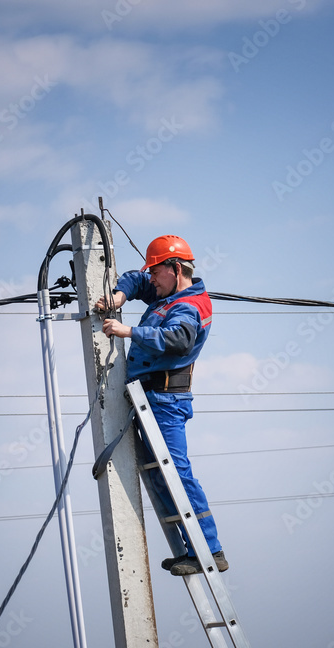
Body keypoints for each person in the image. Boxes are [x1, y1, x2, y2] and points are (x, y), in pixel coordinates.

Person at [94, 234, 227, 576]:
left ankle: (210, 550)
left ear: (176, 268)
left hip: (166, 401)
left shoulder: (188, 306)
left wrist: (128, 332)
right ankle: (190, 550)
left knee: (177, 474)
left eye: (157, 271)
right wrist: (120, 294)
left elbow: (177, 341)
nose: (151, 278)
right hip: (150, 399)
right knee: (158, 477)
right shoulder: (170, 291)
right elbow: (138, 281)